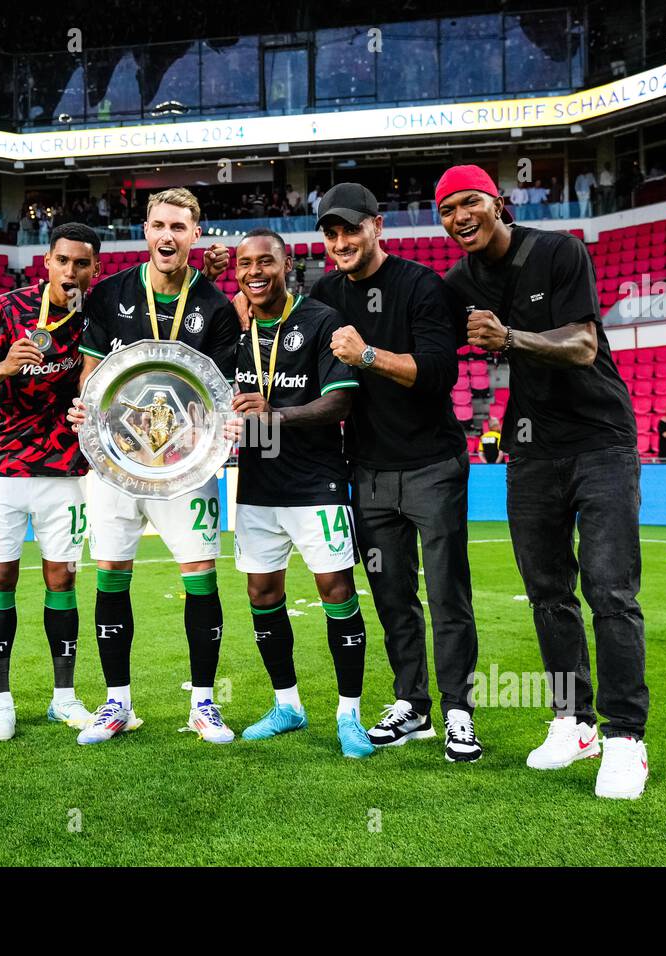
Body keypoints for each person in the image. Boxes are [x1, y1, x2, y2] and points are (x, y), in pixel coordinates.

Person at [440, 164, 649, 799]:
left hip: (600, 439)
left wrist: (510, 338)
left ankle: (624, 739)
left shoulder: (558, 251)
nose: (460, 217)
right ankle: (574, 721)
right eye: (447, 210)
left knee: (610, 592)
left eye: (470, 202)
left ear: (498, 203)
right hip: (532, 450)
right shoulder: (457, 282)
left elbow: (584, 344)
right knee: (548, 594)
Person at [262, 181, 480, 760]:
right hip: (366, 471)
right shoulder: (325, 292)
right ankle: (412, 704)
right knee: (391, 593)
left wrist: (365, 356)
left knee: (446, 592)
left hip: (433, 464)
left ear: (376, 226)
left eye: (350, 230)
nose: (340, 242)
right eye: (330, 233)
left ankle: (459, 708)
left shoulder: (421, 286)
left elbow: (438, 373)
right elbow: (265, 314)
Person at [66, 188, 237, 745]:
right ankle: (117, 703)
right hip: (116, 465)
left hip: (187, 469)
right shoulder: (111, 293)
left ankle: (205, 704)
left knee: (201, 578)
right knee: (112, 575)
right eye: (159, 225)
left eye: (179, 227)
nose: (168, 236)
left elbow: (219, 392)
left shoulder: (214, 306)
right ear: (144, 230)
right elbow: (90, 378)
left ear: (195, 233)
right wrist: (82, 409)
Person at [222, 229, 372, 759]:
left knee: (336, 590)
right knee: (262, 595)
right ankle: (288, 705)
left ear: (287, 264)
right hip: (257, 487)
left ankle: (349, 713)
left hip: (316, 484)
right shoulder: (231, 329)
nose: (255, 272)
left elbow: (339, 405)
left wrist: (274, 414)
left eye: (266, 261)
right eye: (245, 263)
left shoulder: (320, 320)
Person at [0, 222, 104, 741]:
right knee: (0, 578)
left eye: (82, 263)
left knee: (61, 579)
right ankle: (0, 703)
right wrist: (5, 366)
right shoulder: (5, 308)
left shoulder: (98, 316)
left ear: (94, 268)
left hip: (65, 469)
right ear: (47, 261)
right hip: (2, 465)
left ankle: (63, 698)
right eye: (63, 260)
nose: (71, 271)